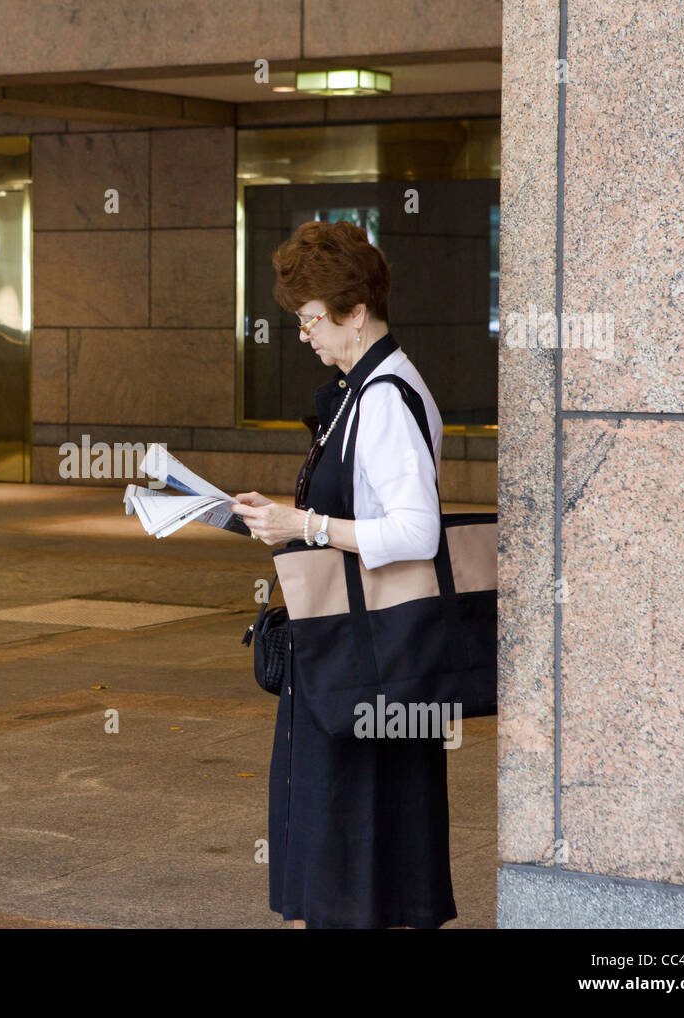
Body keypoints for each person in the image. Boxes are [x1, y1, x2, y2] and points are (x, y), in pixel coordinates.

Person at [230, 220, 456, 930]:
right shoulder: (365, 389)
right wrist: (282, 517)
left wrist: (305, 527)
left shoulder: (384, 397)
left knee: (346, 865)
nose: (304, 335)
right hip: (364, 658)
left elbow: (416, 530)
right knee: (362, 867)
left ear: (354, 312)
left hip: (365, 663)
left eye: (310, 319)